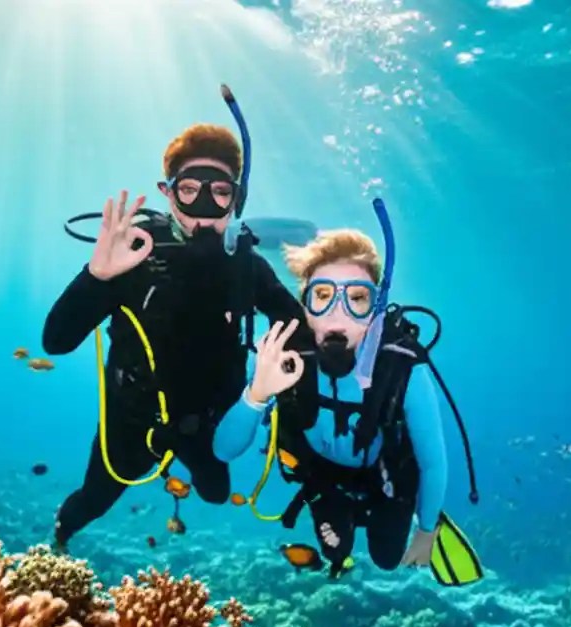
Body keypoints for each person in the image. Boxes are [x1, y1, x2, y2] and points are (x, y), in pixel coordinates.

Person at [42, 122, 307, 551]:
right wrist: (96, 277)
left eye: (219, 192)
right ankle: (57, 538)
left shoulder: (247, 267)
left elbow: (301, 333)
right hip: (134, 417)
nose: (204, 208)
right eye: (189, 190)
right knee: (94, 499)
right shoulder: (134, 258)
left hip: (210, 421)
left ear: (236, 199)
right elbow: (55, 342)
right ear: (167, 194)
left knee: (216, 492)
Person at [213, 226, 482, 583]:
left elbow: (433, 462)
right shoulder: (283, 358)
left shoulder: (403, 369)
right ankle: (345, 523)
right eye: (322, 296)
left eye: (357, 298)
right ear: (305, 307)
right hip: (324, 476)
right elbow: (223, 450)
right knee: (335, 552)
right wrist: (257, 394)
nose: (338, 316)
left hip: (385, 475)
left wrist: (427, 529)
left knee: (387, 559)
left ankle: (397, 514)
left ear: (375, 310)